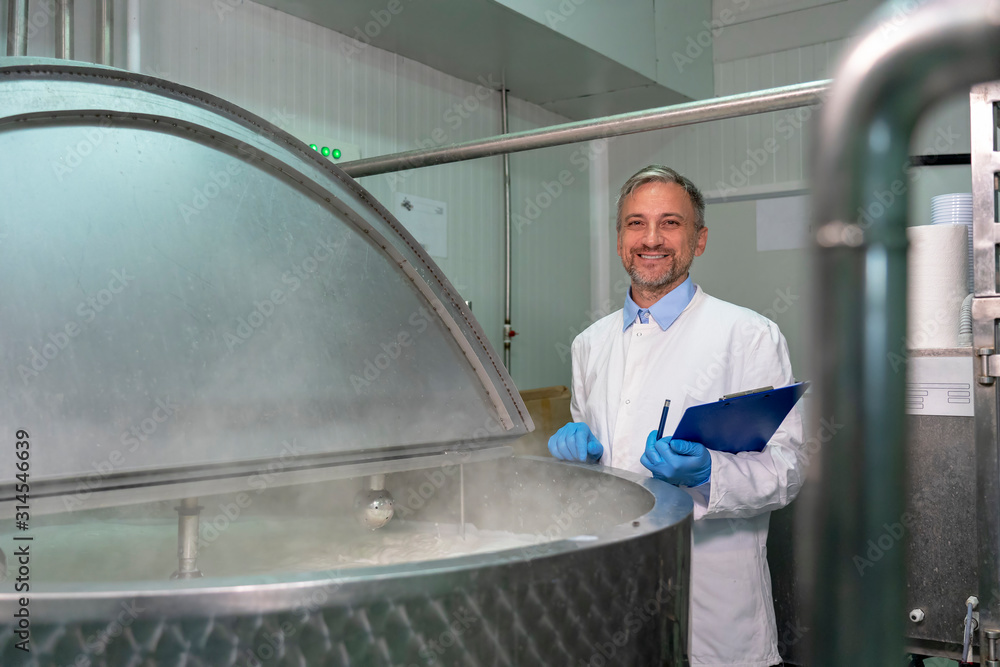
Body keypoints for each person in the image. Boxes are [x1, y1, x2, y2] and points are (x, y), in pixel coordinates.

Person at [548, 165, 805, 667]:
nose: (651, 239)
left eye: (670, 223)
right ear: (620, 238)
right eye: (635, 223)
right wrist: (574, 464)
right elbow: (593, 471)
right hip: (613, 595)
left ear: (699, 239)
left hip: (714, 606)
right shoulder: (589, 344)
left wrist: (711, 473)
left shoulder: (747, 336)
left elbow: (788, 471)